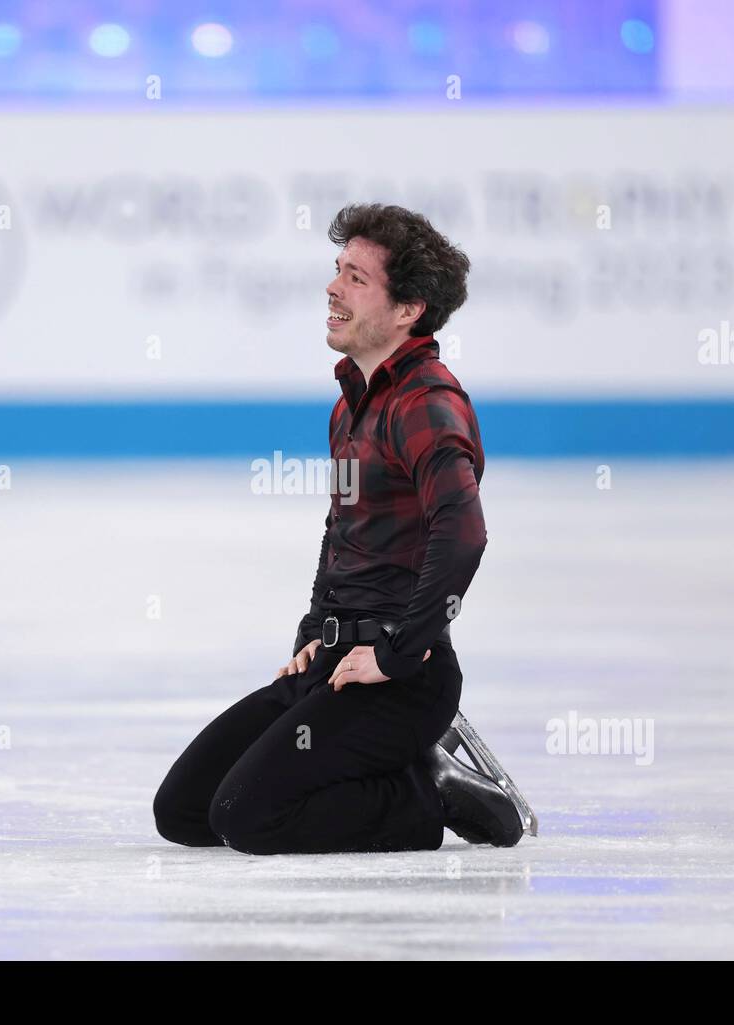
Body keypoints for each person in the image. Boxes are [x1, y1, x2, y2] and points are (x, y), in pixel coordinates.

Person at [153, 203, 522, 853]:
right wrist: (311, 631)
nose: (332, 287)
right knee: (184, 811)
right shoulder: (353, 402)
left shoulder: (429, 405)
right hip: (331, 660)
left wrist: (397, 651)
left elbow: (463, 533)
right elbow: (343, 530)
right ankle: (408, 764)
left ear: (407, 310)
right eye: (337, 269)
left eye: (356, 277)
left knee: (248, 817)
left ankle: (426, 795)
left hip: (400, 679)